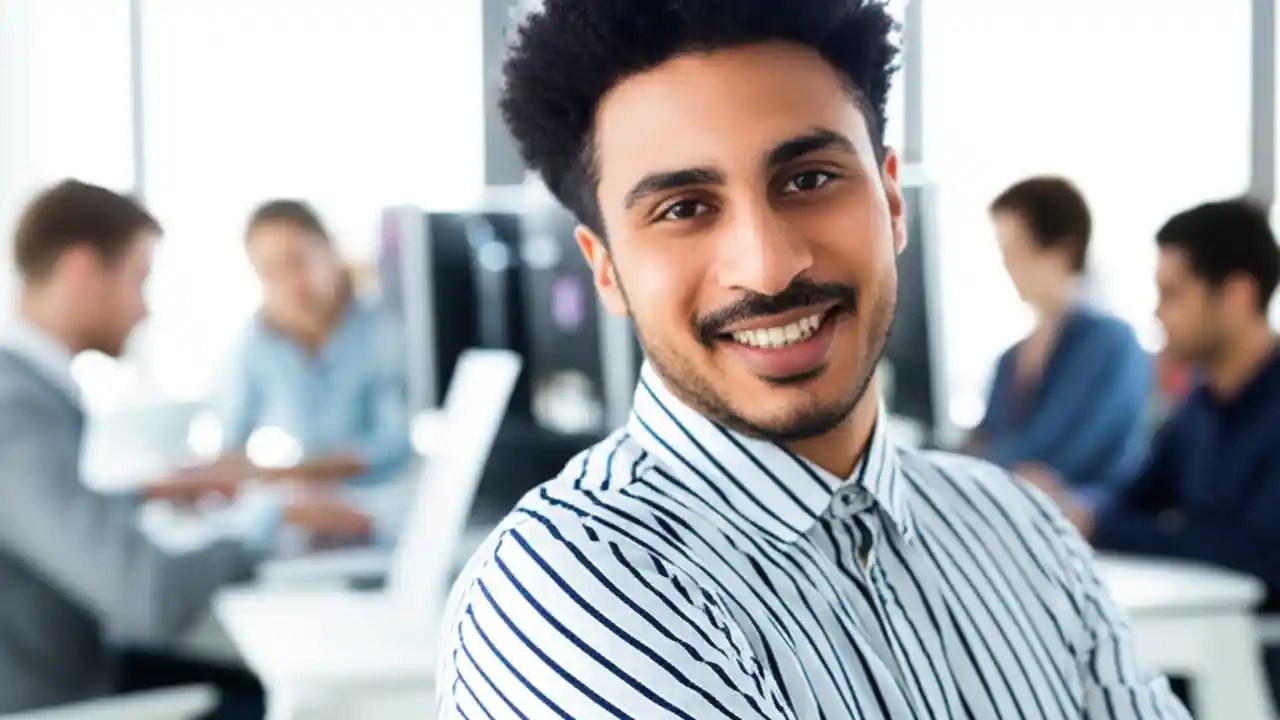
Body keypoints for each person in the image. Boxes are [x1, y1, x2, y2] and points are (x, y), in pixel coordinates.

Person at [437, 2, 1188, 718]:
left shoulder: (1020, 531)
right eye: (684, 209)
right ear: (606, 270)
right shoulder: (573, 586)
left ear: (892, 203)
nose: (767, 267)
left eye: (808, 180)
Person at [0, 180, 372, 715]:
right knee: (311, 703)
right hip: (63, 700)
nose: (143, 311)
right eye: (139, 280)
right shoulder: (16, 412)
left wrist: (148, 493)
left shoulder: (25, 395)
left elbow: (39, 519)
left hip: (74, 676)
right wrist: (273, 521)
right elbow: (150, 597)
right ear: (82, 269)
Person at [1031, 199, 1280, 706]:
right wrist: (1077, 508)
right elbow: (1135, 495)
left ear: (1236, 295)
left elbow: (1257, 553)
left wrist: (1098, 524)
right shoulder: (1200, 407)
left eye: (1173, 294)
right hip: (1206, 646)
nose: (1158, 313)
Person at [974, 177, 1151, 509]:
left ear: (1062, 248)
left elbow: (1060, 456)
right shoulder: (1011, 359)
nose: (1007, 265)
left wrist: (978, 469)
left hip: (1090, 531)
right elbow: (994, 451)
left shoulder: (1110, 342)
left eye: (1017, 249)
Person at [209, 200, 412, 487]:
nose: (290, 284)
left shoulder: (384, 330)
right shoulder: (256, 340)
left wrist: (293, 473)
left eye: (297, 262)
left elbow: (392, 446)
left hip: (378, 503)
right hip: (298, 509)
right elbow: (231, 441)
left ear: (331, 250)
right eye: (270, 271)